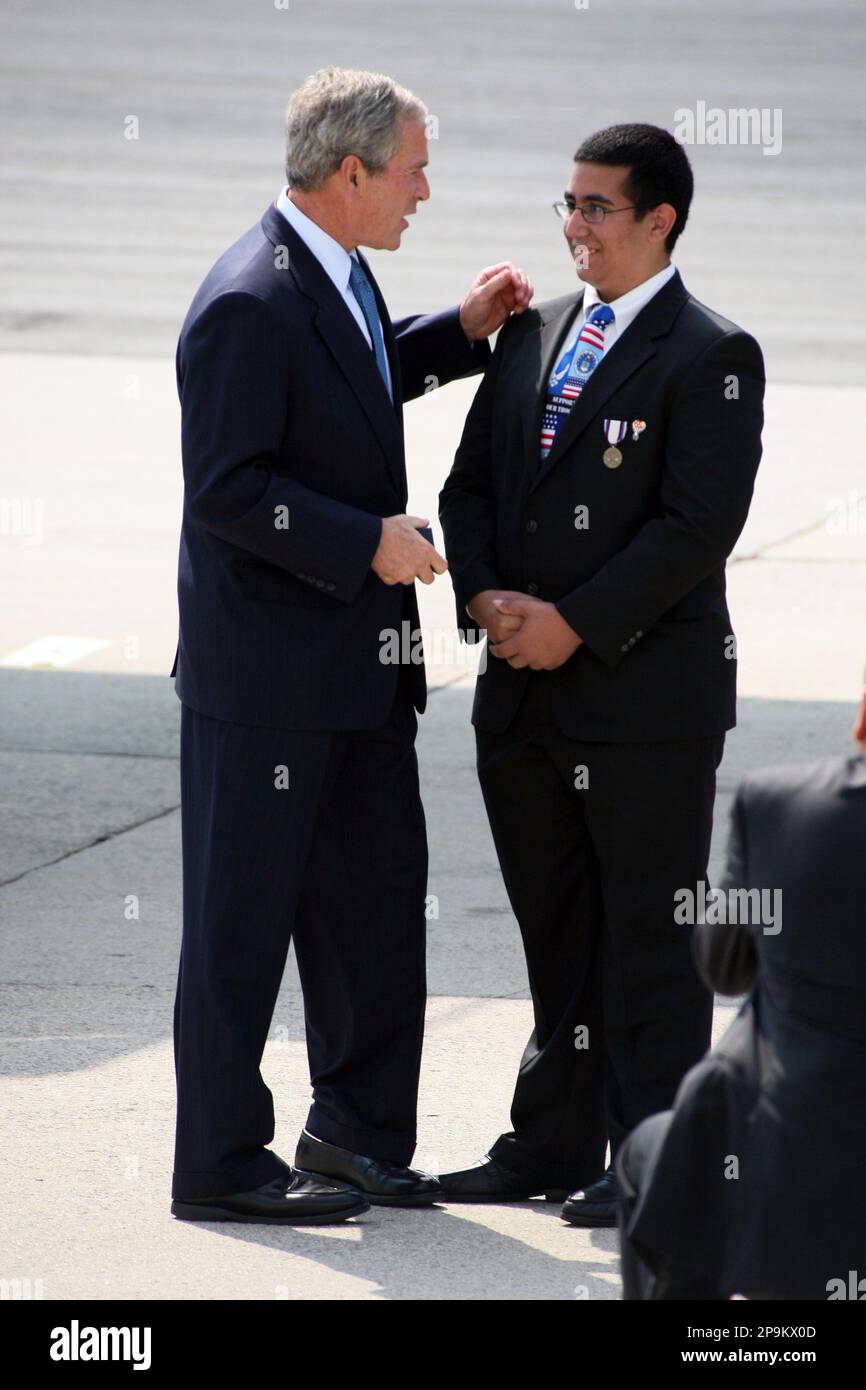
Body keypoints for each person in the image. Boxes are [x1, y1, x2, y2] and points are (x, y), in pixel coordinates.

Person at [170, 66, 532, 1224]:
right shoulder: (246, 298)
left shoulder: (338, 273)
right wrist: (361, 544)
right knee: (242, 929)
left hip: (359, 679)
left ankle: (355, 1138)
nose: (426, 190)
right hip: (269, 682)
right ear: (351, 172)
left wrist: (461, 333)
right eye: (415, 169)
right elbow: (229, 489)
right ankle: (220, 1163)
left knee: (376, 914)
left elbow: (359, 375)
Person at [437, 124, 764, 1224]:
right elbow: (467, 487)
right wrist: (485, 601)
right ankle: (548, 1141)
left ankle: (648, 1164)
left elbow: (692, 529)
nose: (572, 226)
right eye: (565, 204)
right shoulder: (529, 334)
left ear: (658, 220)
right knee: (555, 930)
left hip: (639, 705)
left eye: (595, 207)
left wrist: (573, 623)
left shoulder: (710, 353)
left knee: (646, 942)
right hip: (522, 695)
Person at [617, 681, 866, 1299]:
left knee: (654, 1154)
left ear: (862, 719)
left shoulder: (779, 803)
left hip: (798, 1153)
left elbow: (723, 966)